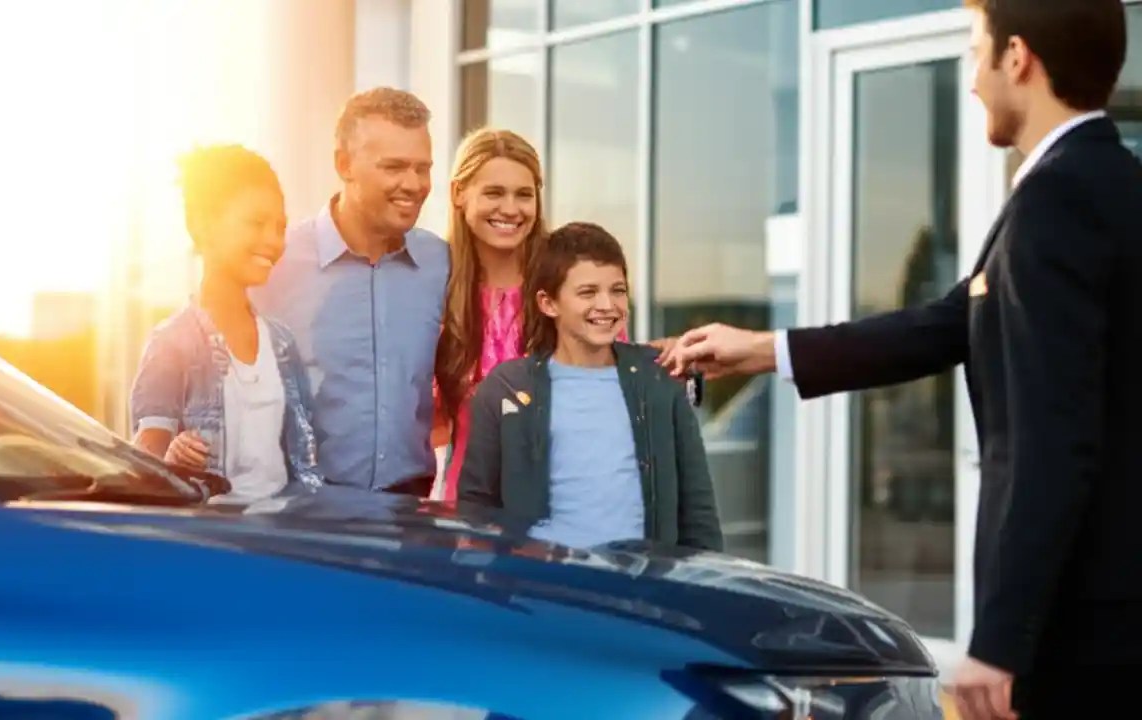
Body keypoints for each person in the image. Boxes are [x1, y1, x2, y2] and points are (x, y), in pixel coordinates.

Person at [664, 1, 1141, 717]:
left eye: (975, 51)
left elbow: (1054, 438)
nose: (972, 78)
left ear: (1017, 58)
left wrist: (1002, 639)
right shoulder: (1104, 184)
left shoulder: (1058, 201)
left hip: (1084, 631)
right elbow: (947, 324)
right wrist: (766, 350)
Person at [458, 221, 722, 552]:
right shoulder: (505, 390)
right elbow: (475, 509)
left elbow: (698, 510)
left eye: (618, 290)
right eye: (588, 292)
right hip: (544, 588)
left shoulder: (660, 380)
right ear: (548, 303)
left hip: (641, 586)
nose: (607, 305)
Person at [250, 87, 449, 497]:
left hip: (408, 513)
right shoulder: (275, 263)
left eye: (423, 168)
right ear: (344, 164)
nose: (413, 184)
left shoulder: (442, 264)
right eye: (394, 167)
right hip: (305, 515)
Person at [130, 144, 323, 504]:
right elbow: (145, 468)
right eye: (256, 223)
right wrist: (172, 459)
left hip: (284, 539)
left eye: (280, 227)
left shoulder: (281, 343)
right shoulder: (171, 344)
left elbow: (303, 462)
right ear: (203, 225)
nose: (273, 240)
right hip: (212, 543)